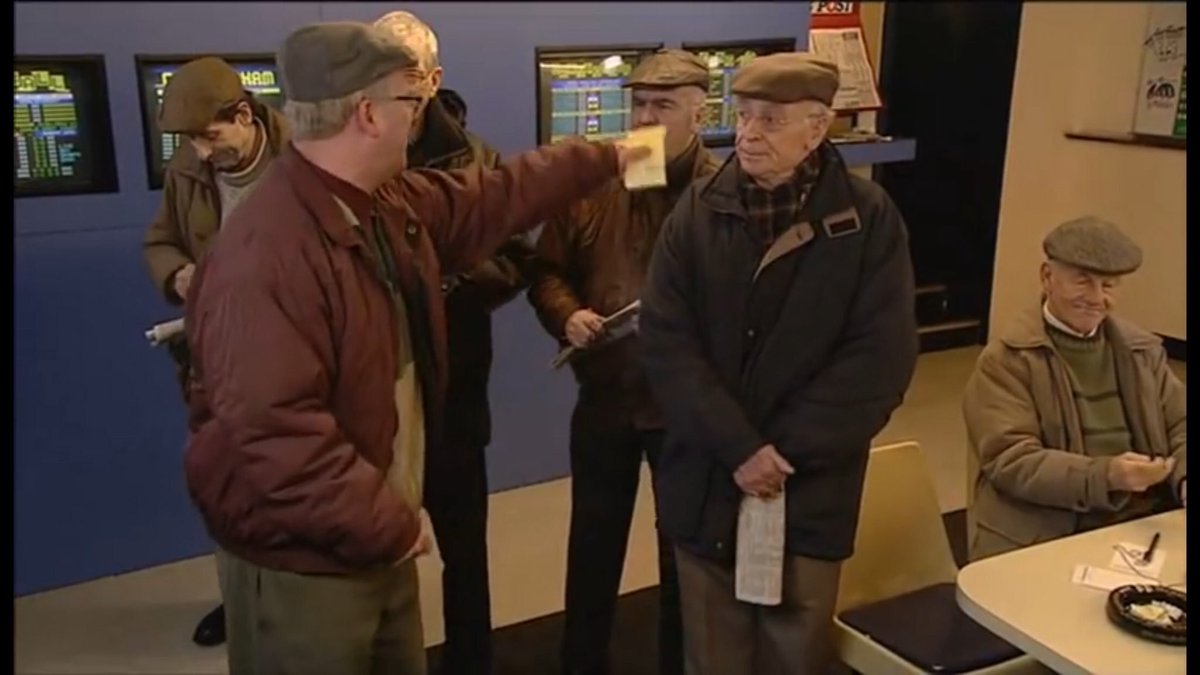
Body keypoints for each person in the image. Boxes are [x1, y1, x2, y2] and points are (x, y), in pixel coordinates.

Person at [182, 21, 646, 675]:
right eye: (410, 99)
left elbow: (494, 196)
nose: (419, 113)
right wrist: (390, 522)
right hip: (308, 563)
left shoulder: (381, 203)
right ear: (368, 114)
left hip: (373, 539)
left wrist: (613, 157)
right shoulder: (265, 255)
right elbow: (276, 438)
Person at [639, 52, 919, 674]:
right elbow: (666, 341)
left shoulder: (867, 220)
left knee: (795, 653)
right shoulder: (698, 210)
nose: (748, 134)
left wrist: (778, 454)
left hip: (809, 488)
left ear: (816, 129)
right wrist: (739, 448)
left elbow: (880, 359)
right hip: (709, 480)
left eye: (770, 120)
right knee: (712, 654)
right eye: (744, 116)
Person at [527, 49, 719, 675]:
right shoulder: (595, 185)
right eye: (638, 103)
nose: (644, 117)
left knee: (682, 558)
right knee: (592, 549)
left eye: (663, 105)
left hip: (685, 410)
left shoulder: (724, 194)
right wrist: (567, 315)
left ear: (700, 112)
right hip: (606, 397)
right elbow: (545, 271)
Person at [374, 11, 537, 675]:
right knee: (376, 555)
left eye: (405, 73)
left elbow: (516, 259)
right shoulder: (350, 153)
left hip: (453, 394)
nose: (390, 86)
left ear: (433, 79)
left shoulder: (477, 162)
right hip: (373, 399)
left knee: (464, 554)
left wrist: (444, 282)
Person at [140, 55, 291, 648]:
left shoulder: (302, 160)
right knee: (230, 486)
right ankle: (240, 599)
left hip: (289, 359)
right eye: (191, 141)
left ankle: (295, 600)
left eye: (210, 136)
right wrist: (178, 274)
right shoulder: (188, 166)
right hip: (216, 359)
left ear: (245, 116)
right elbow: (160, 240)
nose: (201, 153)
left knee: (290, 482)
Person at [964, 216, 1187, 561]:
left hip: (1140, 525)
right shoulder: (1006, 360)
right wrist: (1107, 476)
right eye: (1082, 281)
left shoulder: (1143, 352)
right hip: (1046, 530)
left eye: (1108, 285)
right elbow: (1011, 460)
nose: (1096, 298)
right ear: (1046, 277)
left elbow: (1181, 425)